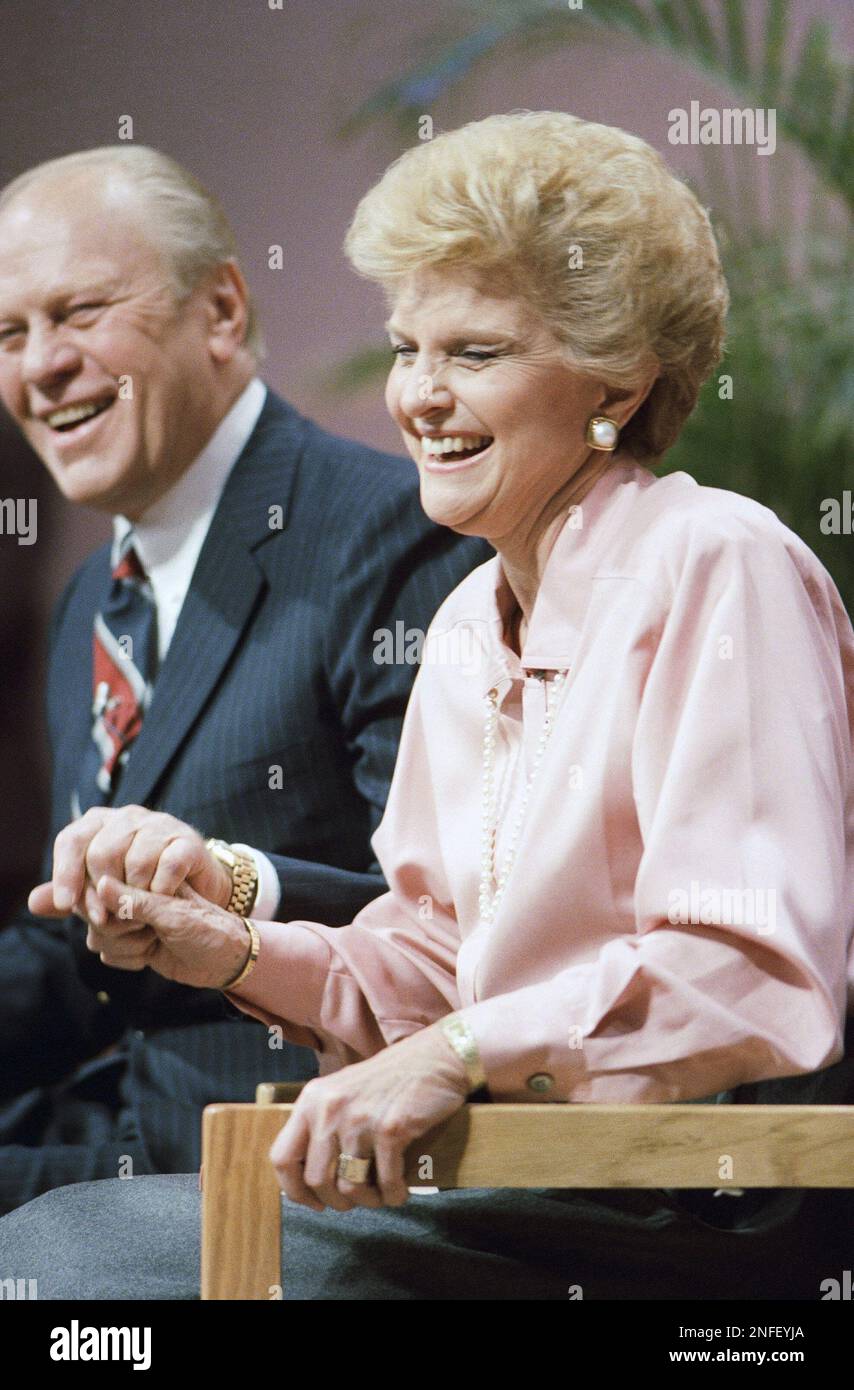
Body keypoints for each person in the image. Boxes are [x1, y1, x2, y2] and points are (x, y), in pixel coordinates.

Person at [2, 111, 852, 1300]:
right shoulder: (462, 621)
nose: (418, 396)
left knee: (61, 1256)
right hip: (503, 1179)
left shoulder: (716, 561)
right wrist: (234, 946)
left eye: (476, 353)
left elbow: (747, 971)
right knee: (57, 1244)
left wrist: (456, 1054)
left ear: (617, 373)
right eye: (408, 347)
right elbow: (430, 964)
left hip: (680, 1200)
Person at [0, 145, 489, 1216]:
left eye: (79, 311)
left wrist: (224, 886)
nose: (41, 365)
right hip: (105, 1131)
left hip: (281, 1160)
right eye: (10, 332)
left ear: (220, 308)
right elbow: (81, 947)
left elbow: (453, 928)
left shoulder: (388, 536)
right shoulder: (89, 596)